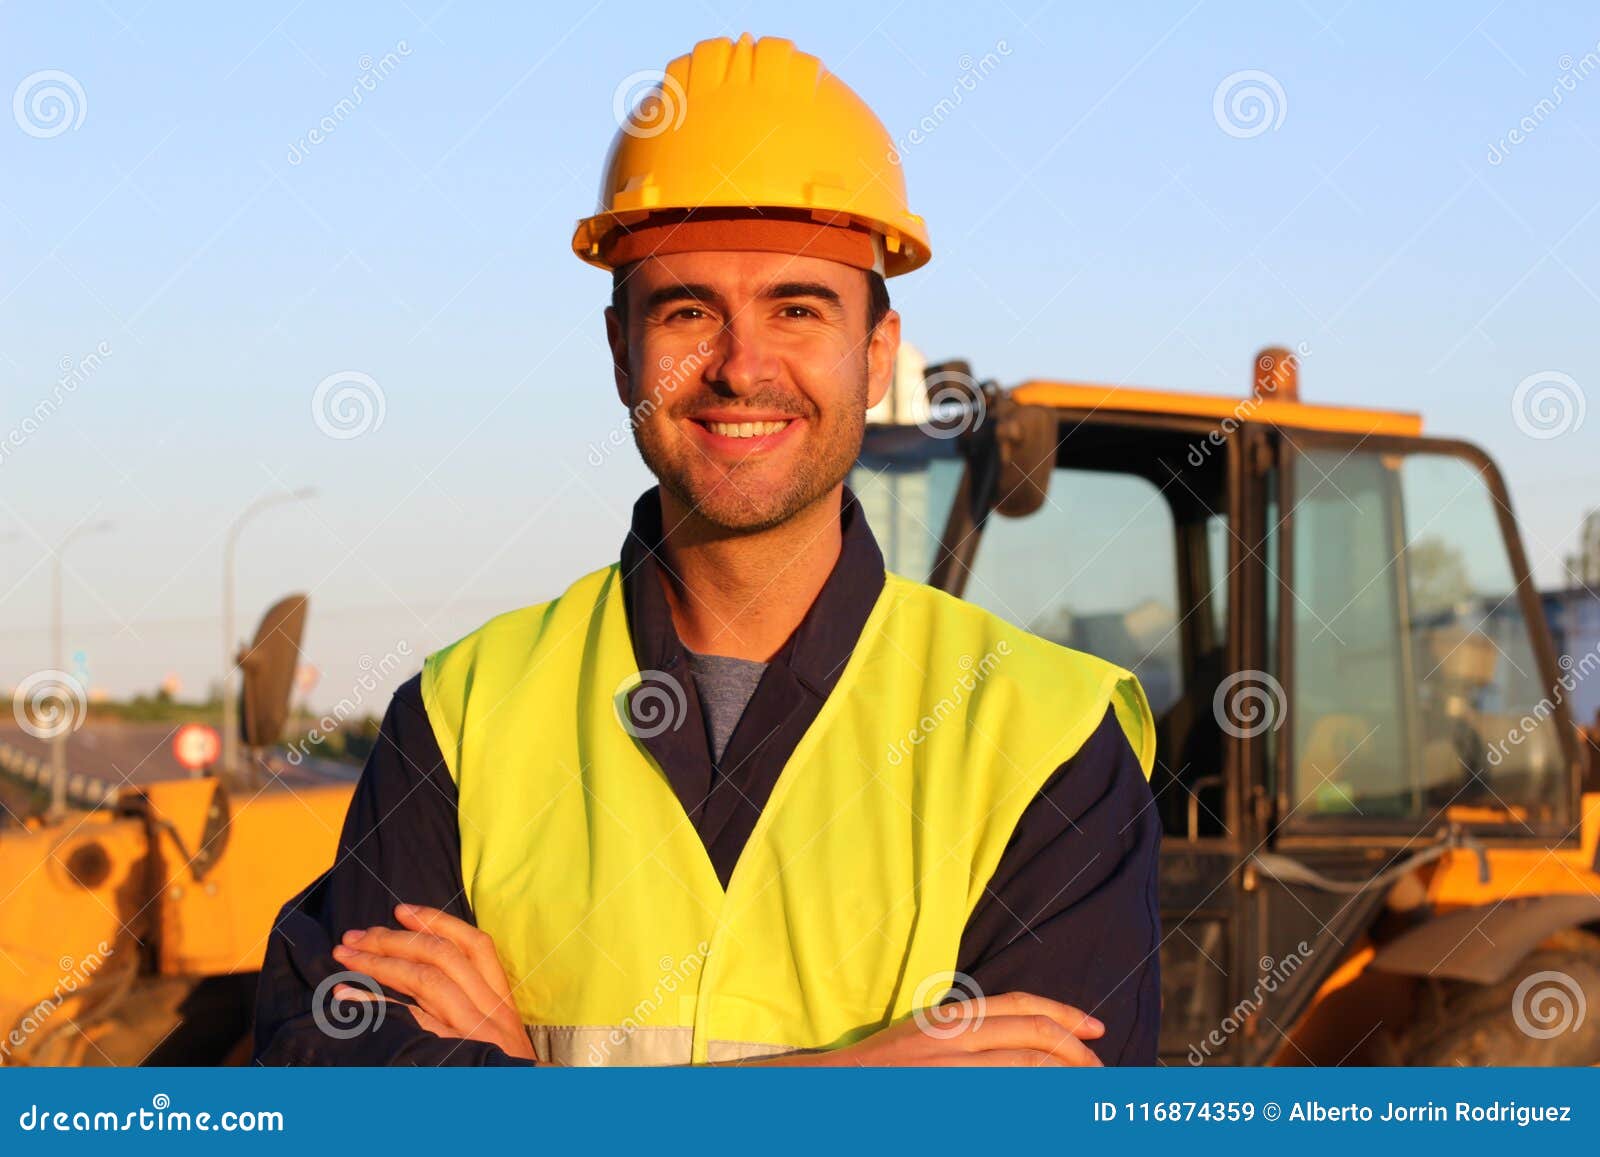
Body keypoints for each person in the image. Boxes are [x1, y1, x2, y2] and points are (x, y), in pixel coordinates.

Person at [254, 32, 1162, 1068]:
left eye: (796, 308)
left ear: (874, 353)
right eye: (689, 311)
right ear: (618, 349)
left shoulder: (1044, 737)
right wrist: (838, 1086)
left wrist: (515, 1087)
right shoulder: (464, 718)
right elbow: (346, 1101)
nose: (739, 366)